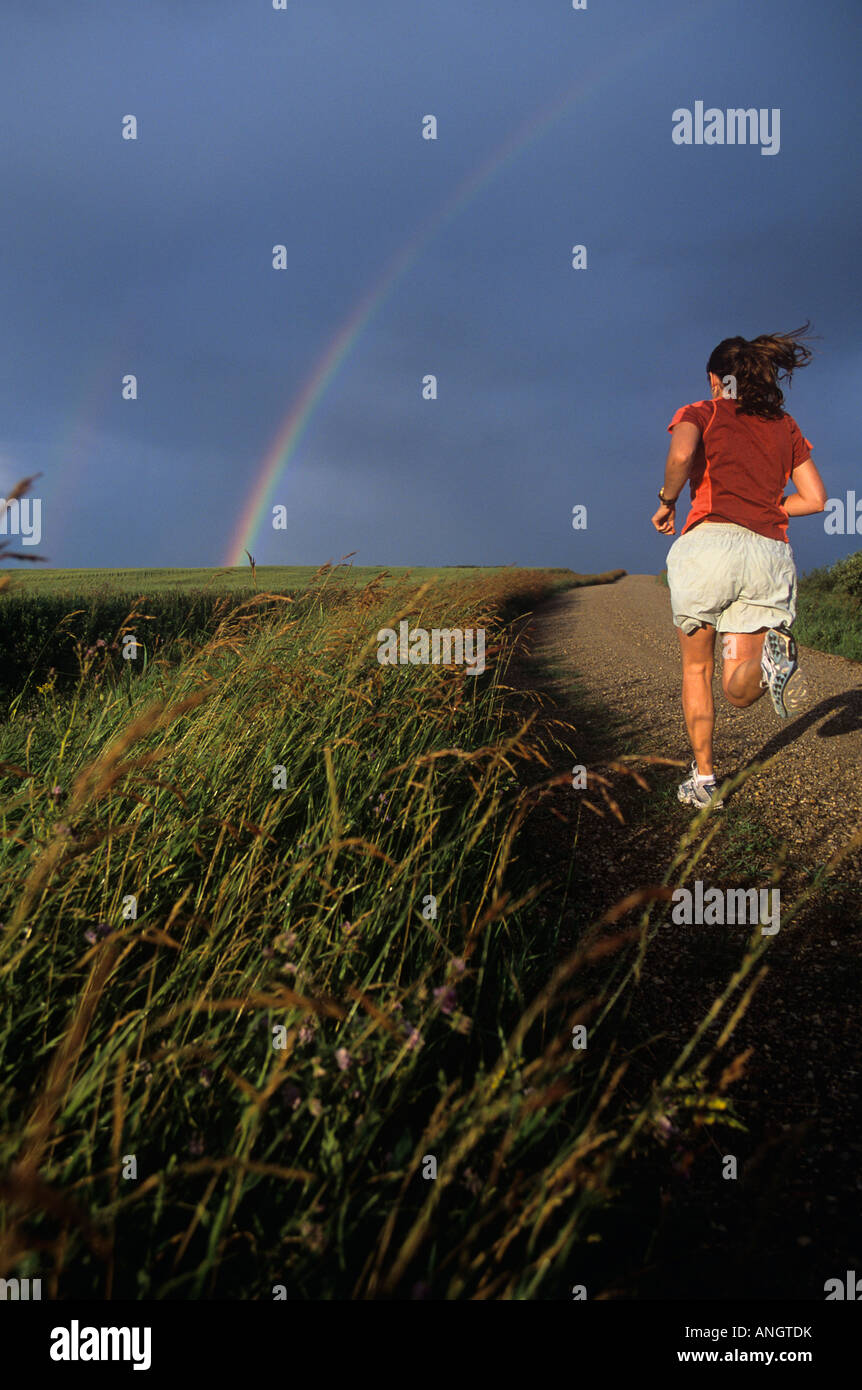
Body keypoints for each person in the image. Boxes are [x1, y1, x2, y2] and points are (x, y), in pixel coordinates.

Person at [652, 325, 827, 810]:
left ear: (715, 379)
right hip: (767, 553)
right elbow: (815, 499)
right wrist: (769, 505)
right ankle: (770, 660)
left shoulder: (701, 411)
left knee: (697, 668)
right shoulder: (785, 426)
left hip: (710, 545)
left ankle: (704, 781)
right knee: (740, 690)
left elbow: (682, 454)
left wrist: (667, 502)